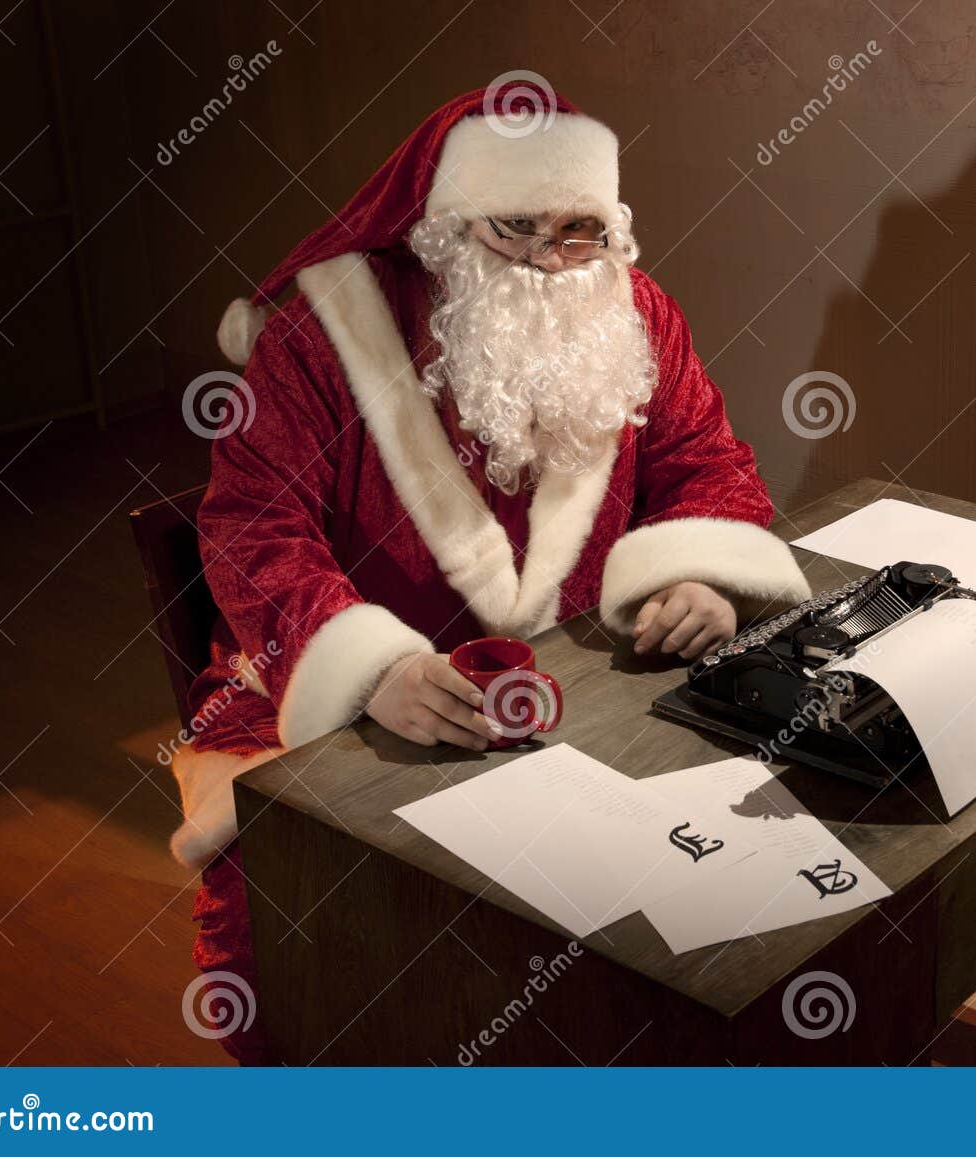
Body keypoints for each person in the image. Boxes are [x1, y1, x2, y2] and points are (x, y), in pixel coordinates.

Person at [167, 87, 810, 1061]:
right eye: (516, 227)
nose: (551, 259)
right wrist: (371, 668)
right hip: (356, 709)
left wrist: (700, 574)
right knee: (325, 950)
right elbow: (254, 525)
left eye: (578, 231)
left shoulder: (638, 311)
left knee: (712, 910)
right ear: (447, 224)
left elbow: (705, 462)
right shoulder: (321, 334)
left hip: (581, 683)